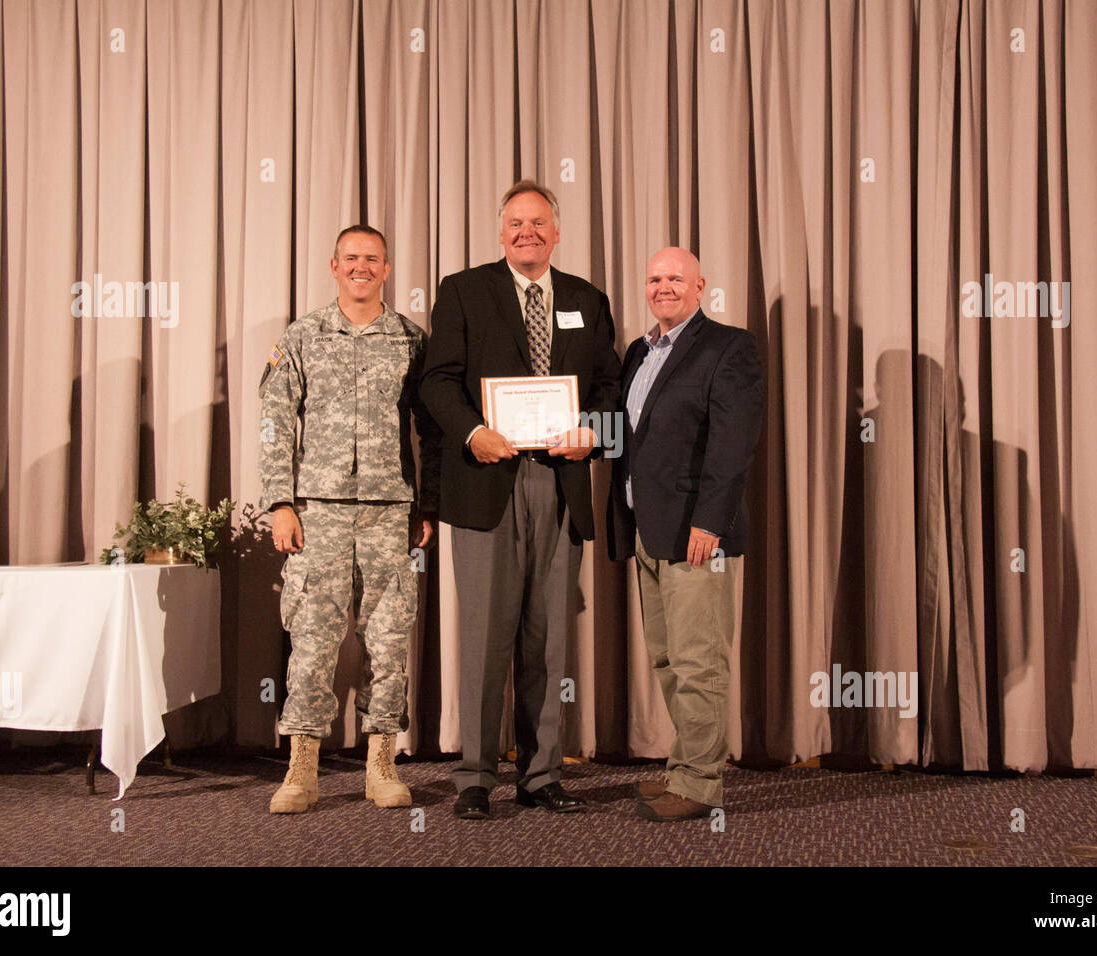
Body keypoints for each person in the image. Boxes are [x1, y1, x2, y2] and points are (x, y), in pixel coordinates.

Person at [420, 181, 622, 819]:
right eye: (515, 222)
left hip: (559, 483)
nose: (526, 232)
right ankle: (475, 777)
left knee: (547, 641)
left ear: (556, 233)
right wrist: (475, 433)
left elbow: (612, 386)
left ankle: (541, 776)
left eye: (538, 222)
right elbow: (437, 382)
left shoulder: (588, 299)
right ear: (500, 231)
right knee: (483, 637)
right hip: (486, 483)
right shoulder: (463, 291)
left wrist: (591, 433)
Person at [258, 225, 441, 813]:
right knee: (311, 640)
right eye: (351, 259)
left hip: (391, 512)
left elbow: (430, 431)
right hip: (319, 511)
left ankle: (381, 764)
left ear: (387, 270)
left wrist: (428, 505)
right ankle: (301, 769)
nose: (362, 267)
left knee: (387, 642)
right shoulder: (304, 336)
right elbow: (276, 421)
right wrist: (280, 502)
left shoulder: (410, 340)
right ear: (333, 266)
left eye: (373, 260)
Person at [606, 247, 763, 822]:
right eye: (654, 278)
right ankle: (684, 769)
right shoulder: (638, 354)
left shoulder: (729, 346)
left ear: (701, 285)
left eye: (675, 277)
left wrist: (710, 522)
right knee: (669, 660)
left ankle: (699, 785)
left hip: (698, 536)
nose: (663, 286)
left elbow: (734, 442)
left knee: (701, 663)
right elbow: (627, 438)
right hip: (647, 532)